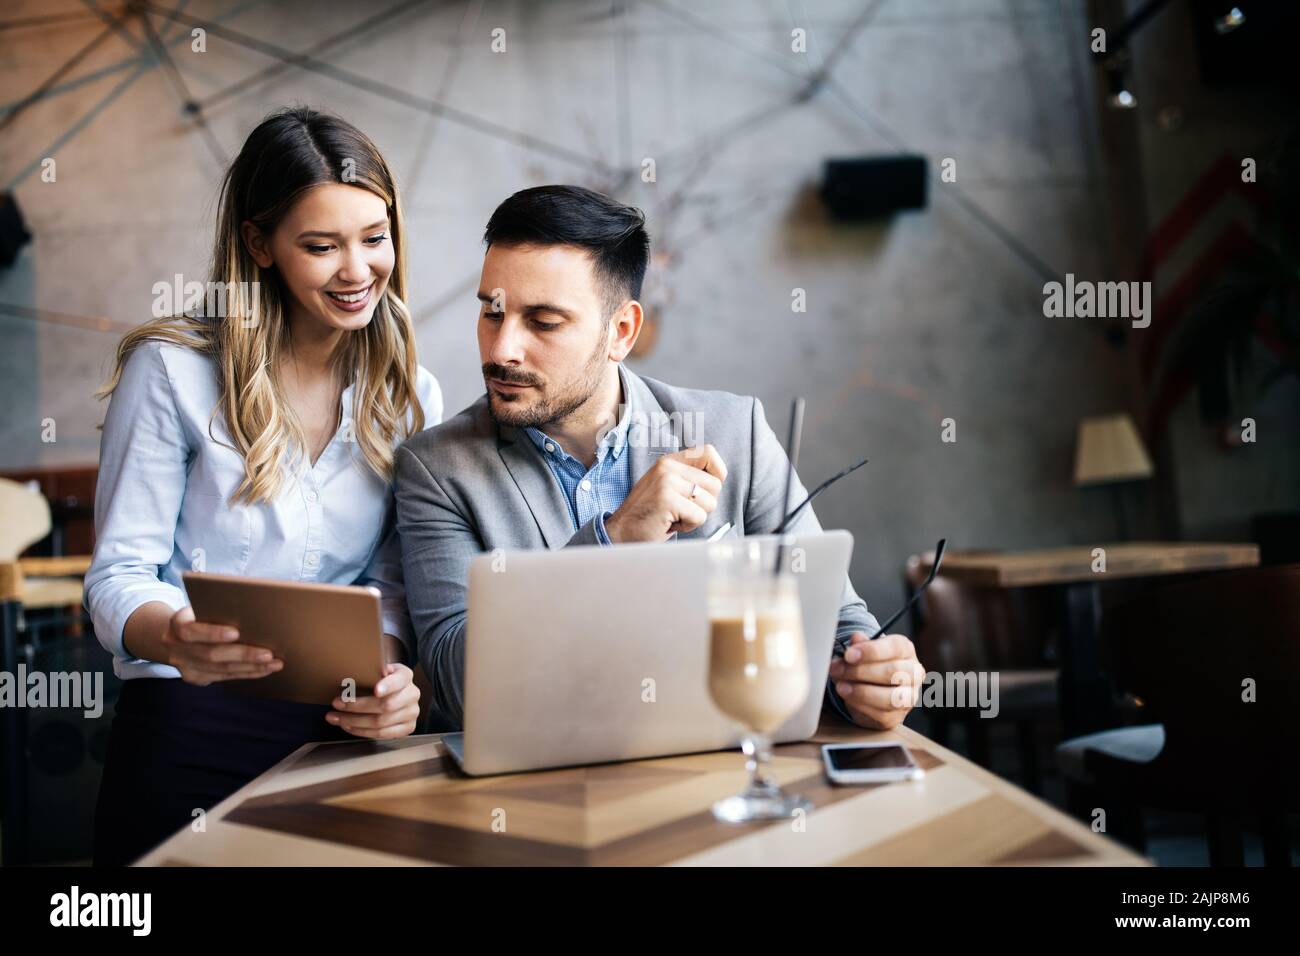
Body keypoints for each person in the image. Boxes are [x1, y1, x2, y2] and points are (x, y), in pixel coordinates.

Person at [394, 184, 923, 734]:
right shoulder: (437, 469)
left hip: (713, 767)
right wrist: (614, 539)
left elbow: (835, 620)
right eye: (492, 312)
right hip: (529, 775)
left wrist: (868, 680)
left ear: (621, 331)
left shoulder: (734, 431)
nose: (502, 348)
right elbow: (459, 686)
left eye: (543, 322)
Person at [85, 107, 440, 865]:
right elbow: (117, 575)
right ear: (258, 245)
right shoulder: (172, 371)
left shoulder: (410, 394)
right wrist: (174, 637)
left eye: (374, 238)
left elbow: (391, 584)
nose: (358, 270)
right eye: (321, 246)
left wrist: (389, 680)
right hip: (186, 724)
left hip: (339, 735)